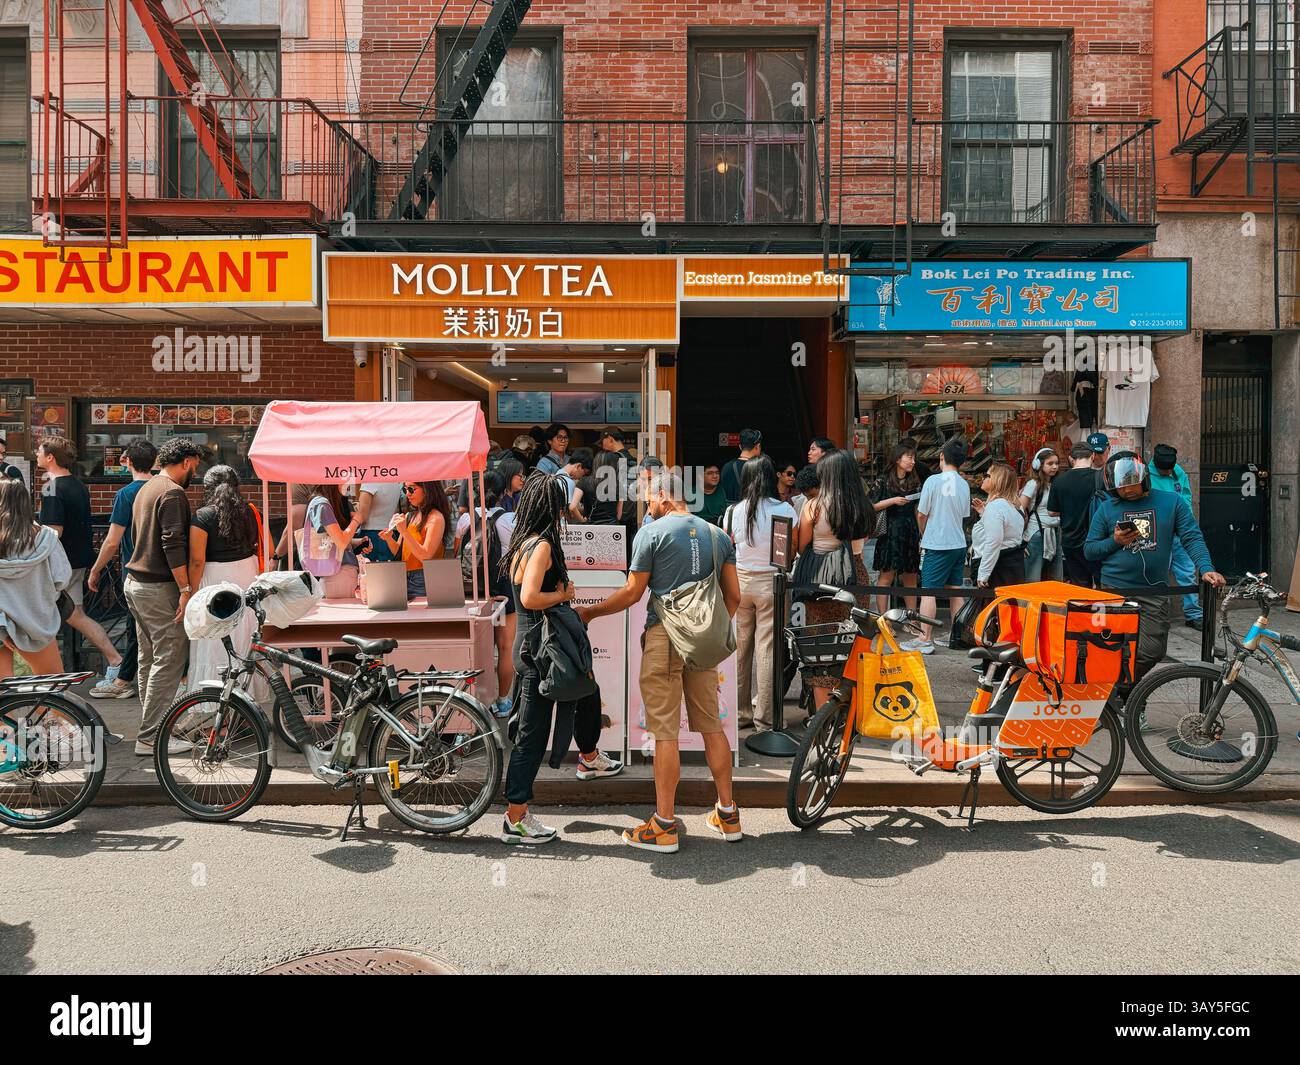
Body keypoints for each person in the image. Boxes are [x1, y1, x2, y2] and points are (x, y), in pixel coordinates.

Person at [578, 467, 741, 852]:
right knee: (711, 727)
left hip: (664, 639)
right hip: (703, 645)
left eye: (649, 498)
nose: (647, 506)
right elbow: (733, 596)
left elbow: (633, 593)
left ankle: (664, 825)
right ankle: (728, 813)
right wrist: (705, 629)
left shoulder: (651, 533)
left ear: (665, 497)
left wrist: (590, 613)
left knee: (665, 732)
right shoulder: (717, 534)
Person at [500, 473, 625, 844]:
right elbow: (530, 599)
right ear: (551, 508)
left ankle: (588, 756)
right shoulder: (540, 546)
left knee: (586, 687)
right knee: (532, 737)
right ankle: (515, 817)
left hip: (536, 646)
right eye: (563, 504)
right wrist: (564, 594)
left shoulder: (522, 542)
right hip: (541, 650)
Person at [1085, 451, 1225, 685]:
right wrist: (1115, 541)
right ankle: (1127, 700)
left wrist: (1205, 567)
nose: (1127, 491)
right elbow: (1090, 550)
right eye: (1121, 487)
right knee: (1112, 648)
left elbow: (1192, 536)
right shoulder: (1107, 508)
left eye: (1132, 485)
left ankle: (1122, 690)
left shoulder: (1172, 502)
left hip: (1156, 591)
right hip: (1114, 590)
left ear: (1144, 479)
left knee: (1153, 649)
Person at [125, 436, 202, 755]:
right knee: (169, 658)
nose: (195, 472)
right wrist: (185, 589)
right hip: (158, 586)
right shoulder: (172, 492)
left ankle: (150, 726)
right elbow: (173, 543)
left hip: (135, 583)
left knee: (149, 658)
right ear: (185, 462)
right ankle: (151, 736)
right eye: (195, 466)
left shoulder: (148, 487)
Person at [35, 436, 123, 686]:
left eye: (40, 452)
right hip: (78, 559)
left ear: (50, 457)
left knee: (44, 617)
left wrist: (32, 533)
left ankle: (50, 674)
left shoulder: (51, 487)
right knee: (75, 614)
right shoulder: (77, 484)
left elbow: (54, 532)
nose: (37, 455)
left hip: (58, 565)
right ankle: (115, 661)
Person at [793, 450, 874, 705]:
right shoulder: (863, 506)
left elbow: (801, 545)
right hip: (856, 577)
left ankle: (824, 719)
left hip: (822, 582)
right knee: (853, 645)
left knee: (822, 650)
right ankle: (851, 717)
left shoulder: (814, 506)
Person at [723, 456, 795, 732]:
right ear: (770, 478)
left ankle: (740, 713)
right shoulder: (783, 510)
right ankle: (765, 718)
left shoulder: (733, 512)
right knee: (768, 650)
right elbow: (789, 552)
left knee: (740, 649)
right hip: (771, 584)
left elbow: (729, 548)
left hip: (739, 584)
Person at [86, 438, 157, 699]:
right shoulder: (164, 488)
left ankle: (124, 680)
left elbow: (112, 540)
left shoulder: (125, 495)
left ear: (127, 461)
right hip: (165, 572)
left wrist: (95, 569)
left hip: (135, 571)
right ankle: (132, 679)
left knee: (134, 627)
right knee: (154, 630)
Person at [186, 466, 262, 689]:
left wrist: (189, 590)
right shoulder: (250, 511)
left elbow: (197, 560)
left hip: (215, 579)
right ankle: (246, 693)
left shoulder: (202, 516)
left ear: (208, 488)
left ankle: (213, 696)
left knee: (214, 634)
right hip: (247, 573)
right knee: (243, 631)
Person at [453, 470, 518, 717]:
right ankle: (502, 701)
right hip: (503, 589)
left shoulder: (465, 520)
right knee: (505, 647)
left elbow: (459, 550)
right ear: (504, 492)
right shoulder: (509, 519)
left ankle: (477, 703)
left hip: (475, 590)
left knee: (477, 647)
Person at [0, 477, 71, 679]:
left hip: (1, 620)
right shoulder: (45, 537)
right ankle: (48, 712)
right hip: (36, 621)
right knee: (52, 684)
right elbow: (61, 579)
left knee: (3, 688)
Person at [912, 437, 971, 654]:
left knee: (929, 591)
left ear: (942, 457)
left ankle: (924, 638)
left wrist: (923, 534)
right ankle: (958, 636)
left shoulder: (933, 482)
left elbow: (921, 514)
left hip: (936, 542)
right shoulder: (964, 484)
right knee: (956, 591)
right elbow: (965, 514)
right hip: (958, 543)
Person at [1150, 443, 1205, 630]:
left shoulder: (1178, 472)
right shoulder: (1146, 475)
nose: (1167, 473)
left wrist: (1185, 519)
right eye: (1163, 470)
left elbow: (1187, 496)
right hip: (1158, 532)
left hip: (1179, 531)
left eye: (1169, 470)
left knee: (1188, 573)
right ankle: (1157, 613)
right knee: (1158, 574)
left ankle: (1193, 614)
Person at [870, 442, 921, 614]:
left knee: (910, 576)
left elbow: (917, 510)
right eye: (909, 457)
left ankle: (911, 618)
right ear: (898, 459)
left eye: (914, 458)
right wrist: (893, 501)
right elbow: (871, 506)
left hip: (910, 530)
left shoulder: (914, 480)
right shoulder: (883, 480)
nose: (913, 461)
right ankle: (884, 619)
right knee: (886, 576)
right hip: (890, 531)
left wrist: (920, 535)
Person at [379, 480, 451, 598]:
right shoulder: (410, 516)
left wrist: (404, 531)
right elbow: (399, 551)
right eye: (405, 489)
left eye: (411, 489)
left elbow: (426, 555)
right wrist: (389, 539)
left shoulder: (436, 517)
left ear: (427, 489)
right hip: (403, 576)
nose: (408, 493)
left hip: (424, 578)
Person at [1048, 444, 1102, 588]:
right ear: (1092, 456)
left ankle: (1084, 610)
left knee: (1080, 586)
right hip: (1096, 540)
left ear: (1071, 459)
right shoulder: (1100, 478)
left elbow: (1051, 512)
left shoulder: (1059, 481)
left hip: (1070, 540)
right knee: (1102, 583)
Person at [970, 463, 1026, 589]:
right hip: (1010, 567)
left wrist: (983, 574)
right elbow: (1007, 531)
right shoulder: (1015, 505)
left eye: (987, 475)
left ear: (997, 480)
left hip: (996, 570)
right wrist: (984, 513)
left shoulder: (996, 506)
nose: (983, 478)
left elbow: (994, 541)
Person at [1020, 447, 1063, 583]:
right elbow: (1020, 510)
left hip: (1055, 533)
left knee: (1054, 579)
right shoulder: (1033, 484)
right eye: (1050, 463)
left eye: (1056, 463)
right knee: (1033, 578)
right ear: (1038, 465)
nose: (1054, 467)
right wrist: (1019, 542)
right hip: (1037, 534)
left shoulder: (1057, 484)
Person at [356, 480, 403, 562]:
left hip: (371, 536)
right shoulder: (395, 481)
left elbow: (362, 515)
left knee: (370, 573)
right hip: (390, 535)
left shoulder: (370, 481)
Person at [720, 428, 762, 503]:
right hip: (751, 512)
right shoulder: (760, 468)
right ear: (757, 446)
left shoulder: (726, 467)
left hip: (730, 512)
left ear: (740, 446)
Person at [557, 447, 594, 522]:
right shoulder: (568, 481)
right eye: (585, 473)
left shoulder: (558, 473)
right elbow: (571, 509)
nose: (582, 477)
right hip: (563, 526)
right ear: (578, 466)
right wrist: (583, 522)